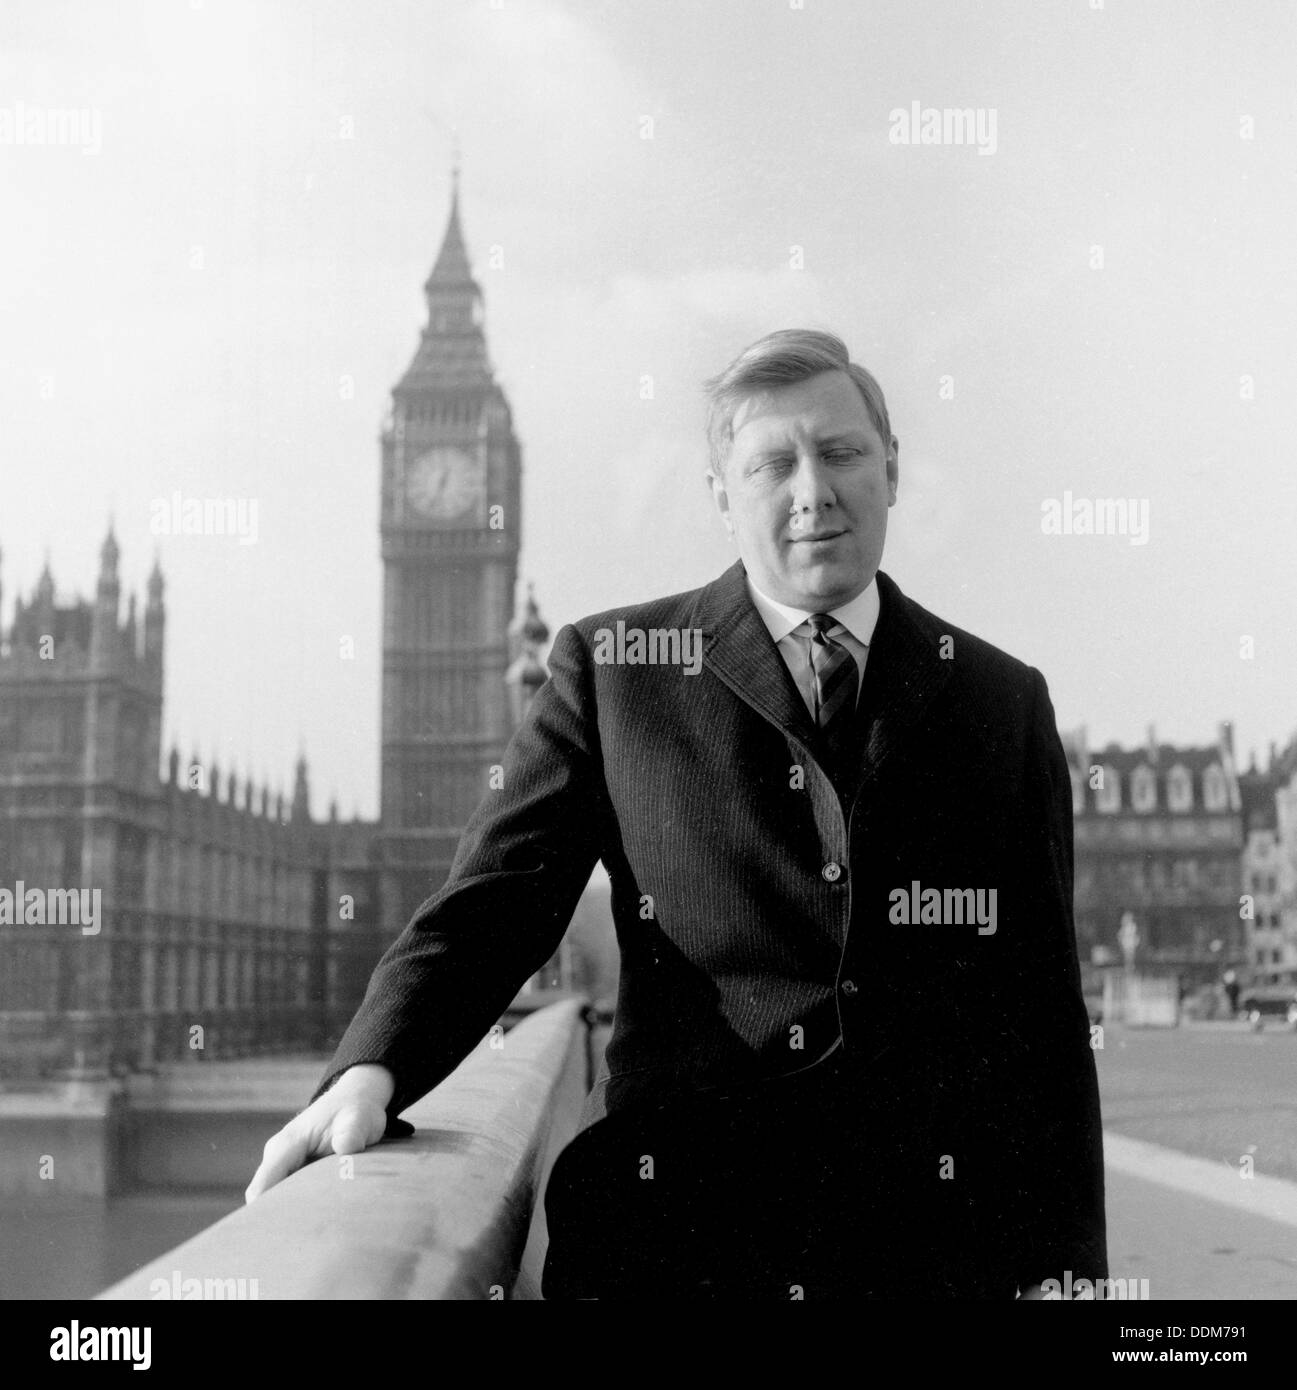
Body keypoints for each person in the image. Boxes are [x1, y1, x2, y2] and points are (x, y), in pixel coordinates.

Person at [246, 328, 1107, 1299]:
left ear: (892, 469)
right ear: (720, 494)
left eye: (841, 452)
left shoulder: (999, 699)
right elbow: (498, 898)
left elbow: (1039, 1010)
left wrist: (1067, 1271)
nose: (812, 491)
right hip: (683, 1243)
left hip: (929, 1256)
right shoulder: (613, 673)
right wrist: (373, 1066)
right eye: (772, 463)